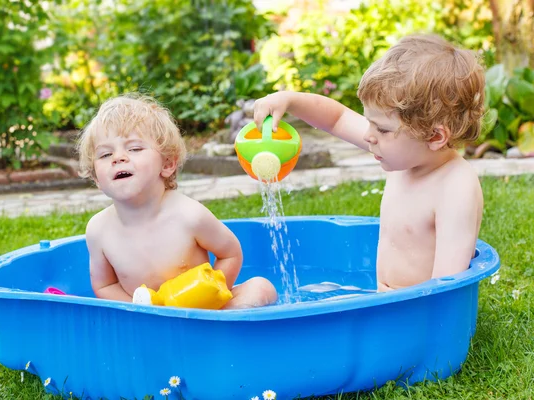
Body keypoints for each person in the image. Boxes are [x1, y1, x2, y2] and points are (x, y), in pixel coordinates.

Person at [253, 34, 485, 291]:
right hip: (383, 299)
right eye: (369, 122)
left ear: (434, 136)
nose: (367, 135)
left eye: (382, 129)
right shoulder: (407, 154)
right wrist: (290, 100)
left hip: (415, 313)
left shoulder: (455, 187)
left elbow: (448, 286)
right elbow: (337, 118)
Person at [78, 93, 277, 308]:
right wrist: (141, 310)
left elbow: (230, 254)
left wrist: (209, 298)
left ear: (167, 164)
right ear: (96, 178)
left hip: (202, 312)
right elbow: (105, 285)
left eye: (134, 148)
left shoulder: (188, 215)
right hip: (147, 321)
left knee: (260, 287)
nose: (118, 158)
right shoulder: (99, 230)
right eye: (105, 155)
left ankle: (219, 325)